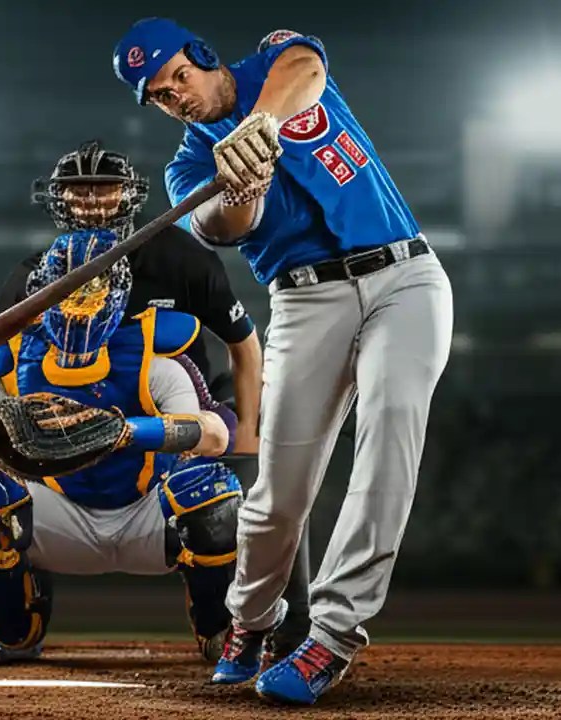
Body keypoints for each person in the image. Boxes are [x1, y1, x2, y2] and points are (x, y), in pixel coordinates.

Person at [112, 20, 454, 705]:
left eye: (179, 75)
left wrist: (259, 127)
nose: (175, 95)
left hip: (407, 277)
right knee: (279, 493)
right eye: (157, 94)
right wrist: (242, 184)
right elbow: (221, 229)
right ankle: (250, 621)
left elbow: (306, 68)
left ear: (203, 56)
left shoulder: (275, 62)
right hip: (306, 302)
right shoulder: (187, 168)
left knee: (390, 432)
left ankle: (331, 635)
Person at [0, 227, 244, 665]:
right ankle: (12, 628)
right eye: (68, 285)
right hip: (61, 514)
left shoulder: (151, 356)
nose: (80, 300)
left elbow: (213, 435)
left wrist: (127, 433)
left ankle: (217, 626)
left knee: (212, 493)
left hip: (143, 515)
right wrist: (35, 446)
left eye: (93, 285)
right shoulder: (12, 358)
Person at [1, 140, 263, 452]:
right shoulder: (32, 277)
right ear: (60, 199)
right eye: (80, 191)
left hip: (174, 408)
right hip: (73, 416)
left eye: (105, 189)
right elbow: (9, 367)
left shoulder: (184, 259)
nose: (93, 202)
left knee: (220, 432)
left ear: (128, 195)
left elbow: (243, 342)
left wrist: (248, 431)